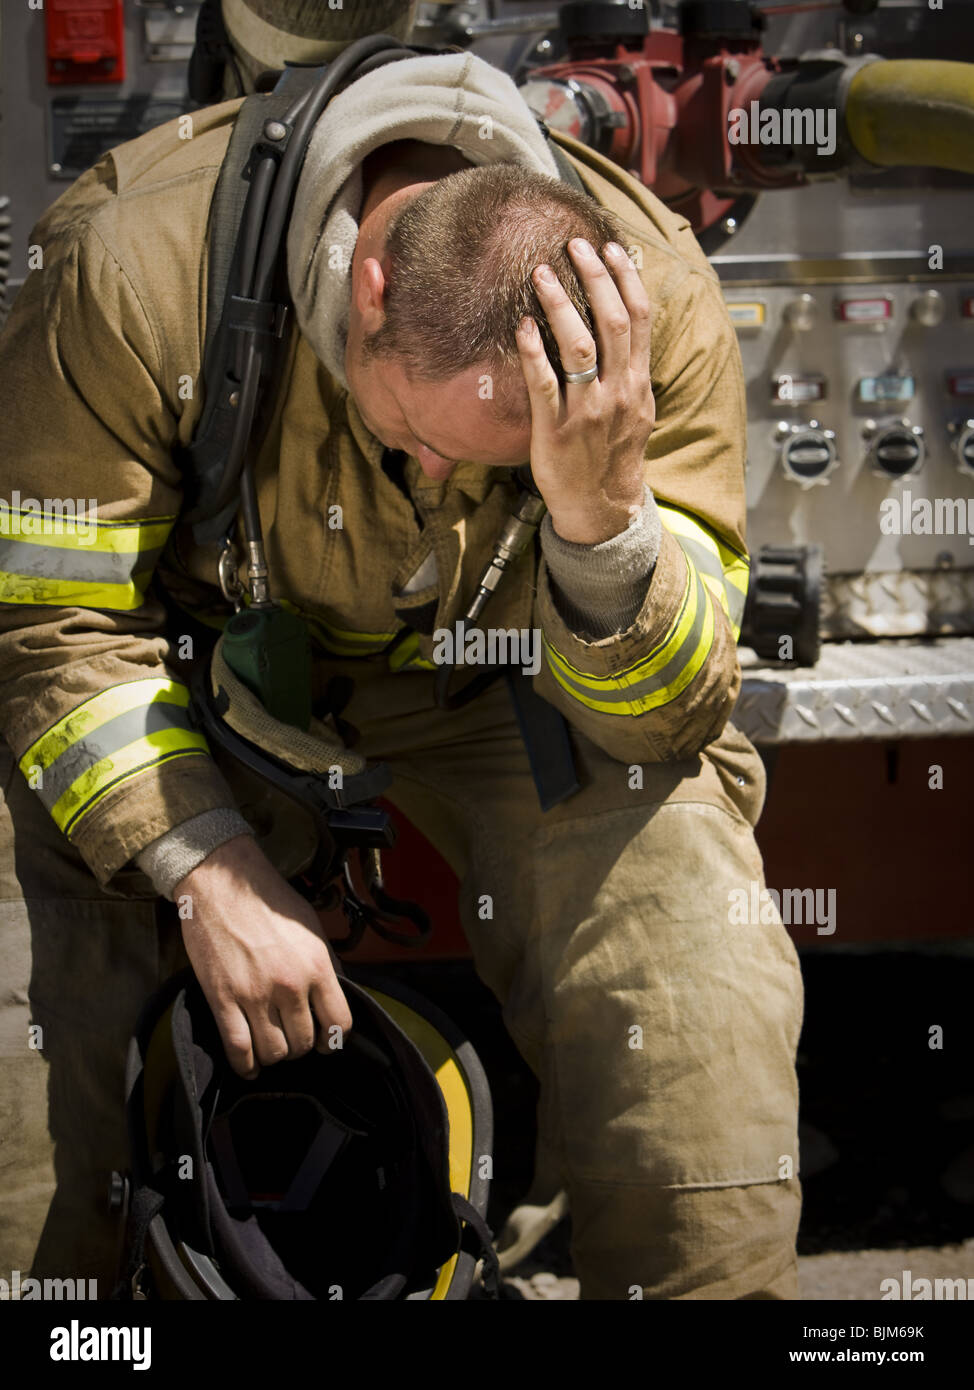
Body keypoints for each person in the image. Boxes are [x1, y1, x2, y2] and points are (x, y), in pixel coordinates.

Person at [0, 34, 804, 1300]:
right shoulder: (133, 270)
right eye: (418, 437)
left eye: (489, 463)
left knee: (688, 932)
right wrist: (205, 866)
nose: (437, 477)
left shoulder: (648, 307)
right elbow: (53, 624)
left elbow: (665, 721)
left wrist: (601, 522)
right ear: (366, 290)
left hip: (508, 683)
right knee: (43, 1002)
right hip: (195, 681)